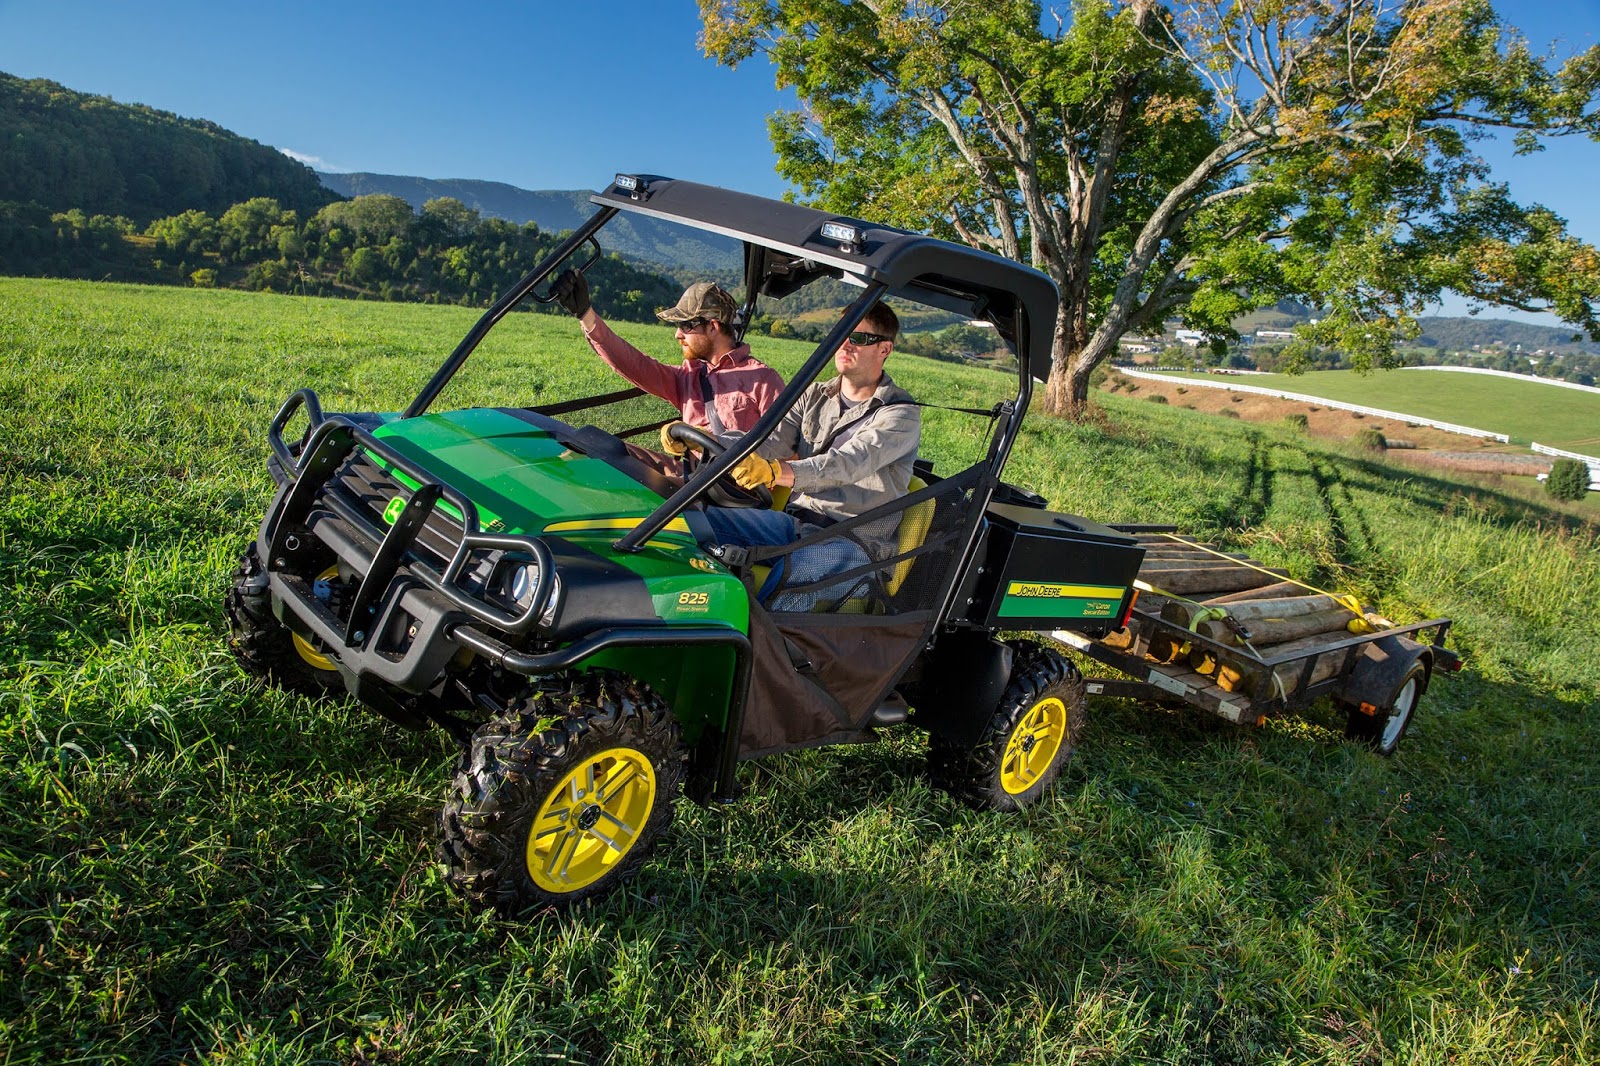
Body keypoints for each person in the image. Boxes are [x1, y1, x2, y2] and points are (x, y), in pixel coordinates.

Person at [702, 303, 920, 612]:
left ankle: (761, 655)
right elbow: (765, 442)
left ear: (884, 348)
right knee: (697, 523)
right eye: (840, 334)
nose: (844, 344)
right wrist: (710, 442)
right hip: (796, 525)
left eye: (857, 337)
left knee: (799, 571)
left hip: (854, 544)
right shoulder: (814, 395)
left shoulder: (901, 415)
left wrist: (776, 472)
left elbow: (846, 463)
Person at [549, 270, 784, 471]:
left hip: (733, 490)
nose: (677, 334)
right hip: (686, 475)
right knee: (593, 446)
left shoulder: (763, 380)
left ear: (713, 327)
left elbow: (784, 451)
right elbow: (635, 364)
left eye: (686, 325)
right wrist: (586, 315)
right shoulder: (689, 377)